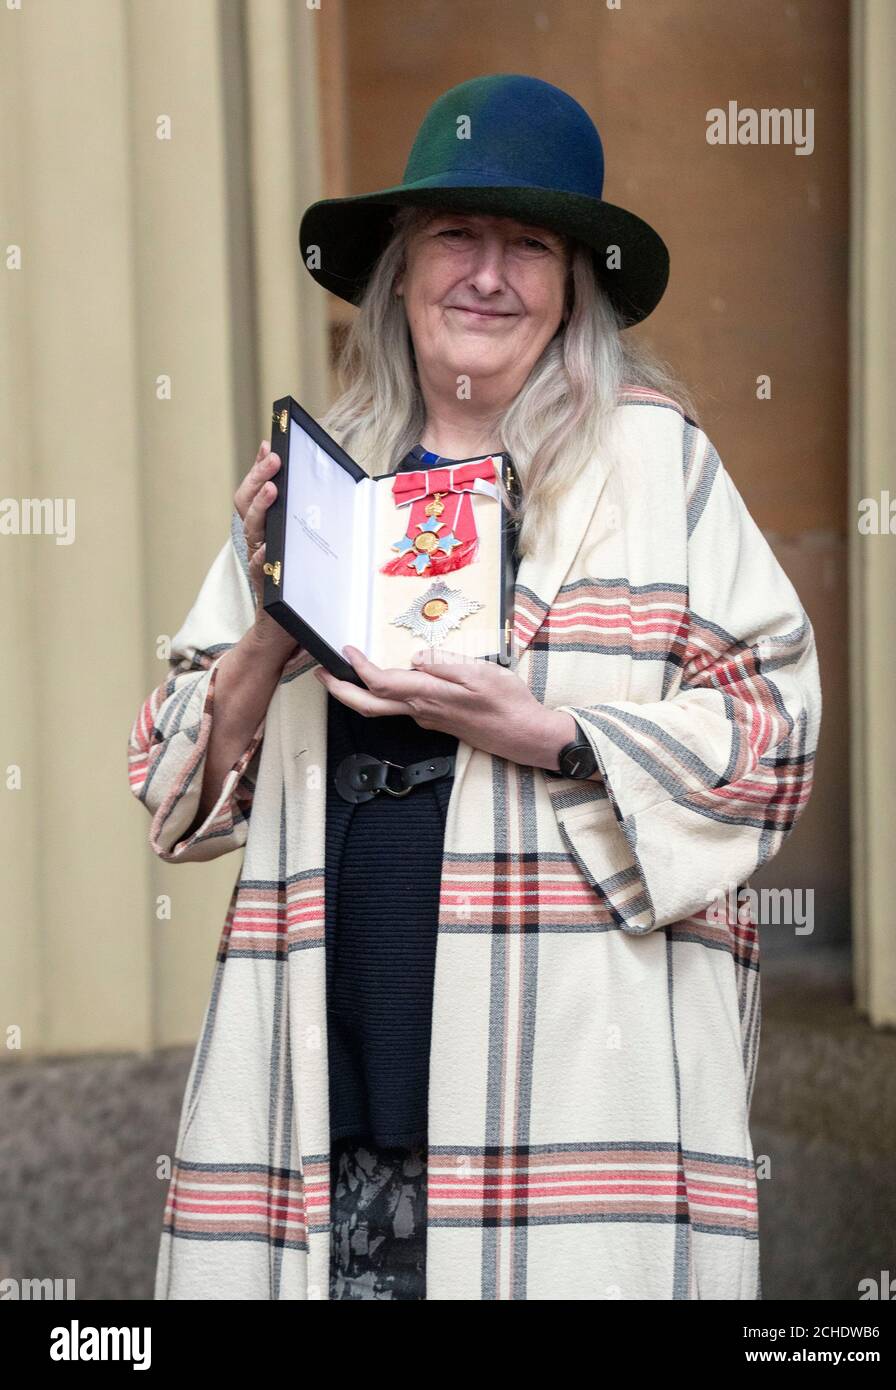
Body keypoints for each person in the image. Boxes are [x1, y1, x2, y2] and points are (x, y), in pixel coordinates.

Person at [128, 73, 822, 1300]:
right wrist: (268, 635)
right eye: (456, 235)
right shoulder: (322, 480)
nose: (487, 274)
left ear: (574, 286)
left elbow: (776, 727)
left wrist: (555, 734)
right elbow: (172, 781)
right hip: (329, 1096)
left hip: (568, 1099)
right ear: (399, 269)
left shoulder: (656, 465)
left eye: (528, 245)